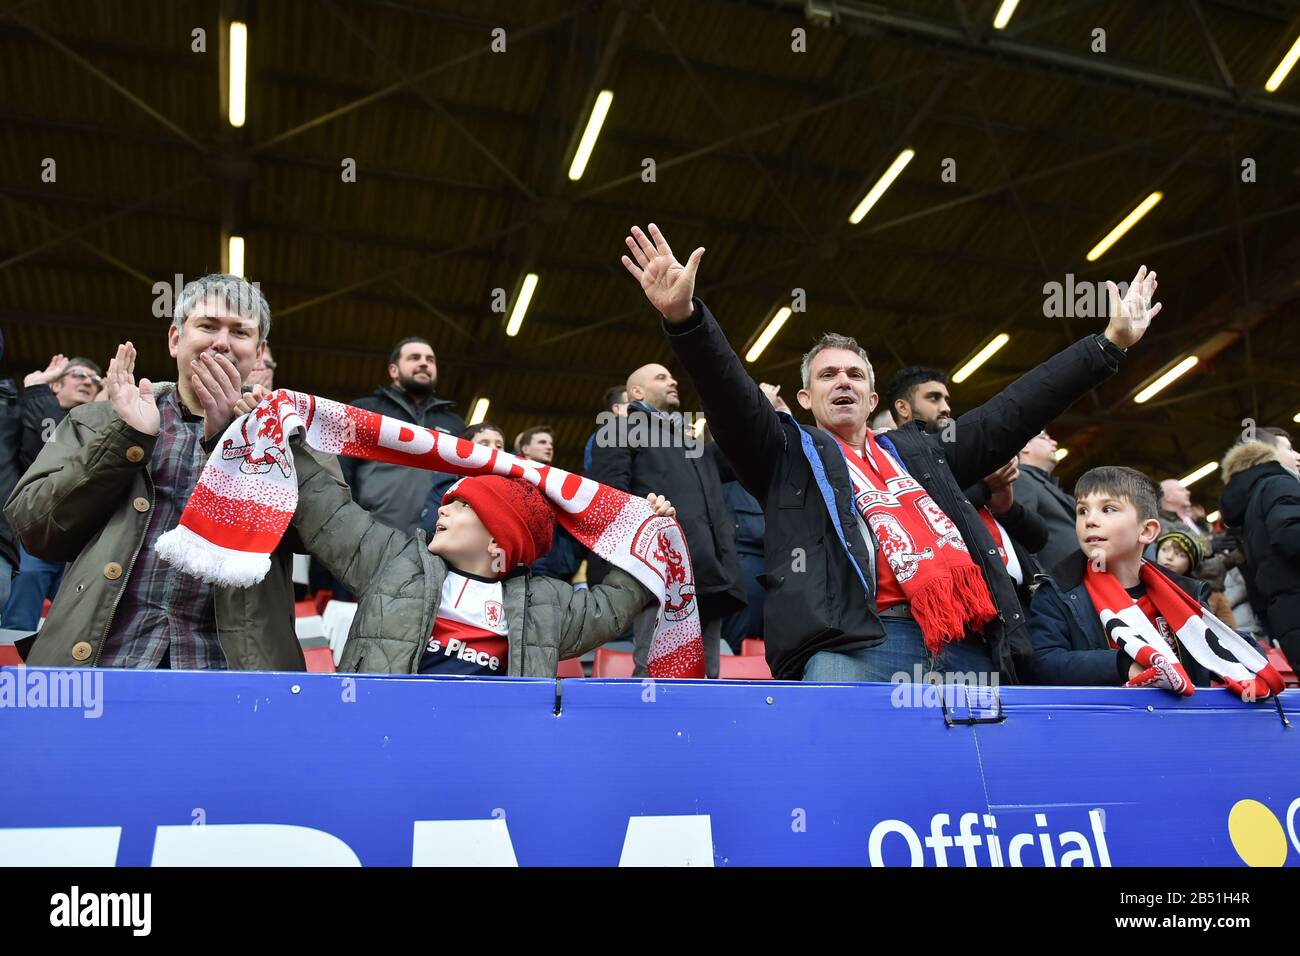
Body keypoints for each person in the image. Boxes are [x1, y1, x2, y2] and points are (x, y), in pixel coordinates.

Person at [619, 221, 1160, 682]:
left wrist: (1107, 344)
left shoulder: (923, 450)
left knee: (972, 797)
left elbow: (1012, 410)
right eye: (827, 375)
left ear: (874, 397)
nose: (843, 382)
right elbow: (731, 397)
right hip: (853, 648)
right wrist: (687, 320)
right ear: (805, 398)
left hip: (963, 641)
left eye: (855, 374)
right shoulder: (786, 454)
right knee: (842, 796)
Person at [232, 384, 672, 677]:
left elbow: (613, 604)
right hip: (386, 749)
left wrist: (649, 534)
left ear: (499, 541)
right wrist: (284, 435)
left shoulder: (546, 602)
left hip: (487, 766)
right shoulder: (393, 561)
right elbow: (327, 511)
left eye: (463, 506)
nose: (444, 508)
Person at [4, 274, 326, 669]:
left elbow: (322, 539)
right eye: (207, 326)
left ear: (258, 353)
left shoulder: (292, 436)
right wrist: (126, 440)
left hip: (229, 680)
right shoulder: (98, 420)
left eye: (240, 332)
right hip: (103, 665)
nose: (222, 341)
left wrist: (236, 441)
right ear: (175, 339)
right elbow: (33, 527)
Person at [1028, 466, 1256, 690]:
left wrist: (1246, 655)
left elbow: (1220, 653)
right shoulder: (1058, 593)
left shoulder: (1183, 595)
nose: (1090, 521)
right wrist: (1123, 665)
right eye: (1082, 511)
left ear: (1146, 531)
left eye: (1108, 509)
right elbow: (1042, 665)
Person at [588, 360, 746, 679]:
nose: (673, 381)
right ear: (636, 392)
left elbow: (739, 463)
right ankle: (648, 729)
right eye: (662, 377)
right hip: (658, 573)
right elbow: (610, 497)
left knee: (708, 676)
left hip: (707, 574)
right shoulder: (618, 429)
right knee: (658, 673)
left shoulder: (690, 442)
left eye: (673, 376)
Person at [1, 355, 103, 631]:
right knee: (23, 601)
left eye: (95, 380)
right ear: (55, 386)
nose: (87, 382)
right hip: (33, 534)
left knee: (76, 622)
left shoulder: (103, 426)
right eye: (79, 375)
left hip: (81, 541)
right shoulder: (24, 411)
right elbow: (49, 450)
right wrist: (36, 389)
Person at [341, 337, 466, 535]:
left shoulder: (455, 424)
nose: (424, 363)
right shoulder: (364, 409)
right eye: (414, 358)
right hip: (370, 534)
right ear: (394, 370)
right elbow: (341, 470)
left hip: (436, 541)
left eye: (430, 360)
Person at [1219, 427, 1300, 666]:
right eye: (1288, 448)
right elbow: (1291, 535)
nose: (1297, 455)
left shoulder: (1252, 499)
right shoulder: (1278, 484)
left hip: (1285, 616)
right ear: (1265, 453)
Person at [419, 422, 506, 535]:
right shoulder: (444, 486)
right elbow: (429, 531)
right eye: (484, 444)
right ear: (464, 450)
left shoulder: (509, 491)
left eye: (499, 446)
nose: (494, 449)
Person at [1014, 430, 1080, 572]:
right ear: (1025, 446)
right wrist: (1038, 578)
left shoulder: (1047, 486)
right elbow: (1021, 533)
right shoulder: (1020, 478)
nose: (1054, 442)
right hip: (1056, 583)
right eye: (1045, 438)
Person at [1153, 529, 1235, 628]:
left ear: (1190, 564)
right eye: (1165, 549)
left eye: (1180, 555)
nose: (1169, 557)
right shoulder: (1144, 578)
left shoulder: (1194, 592)